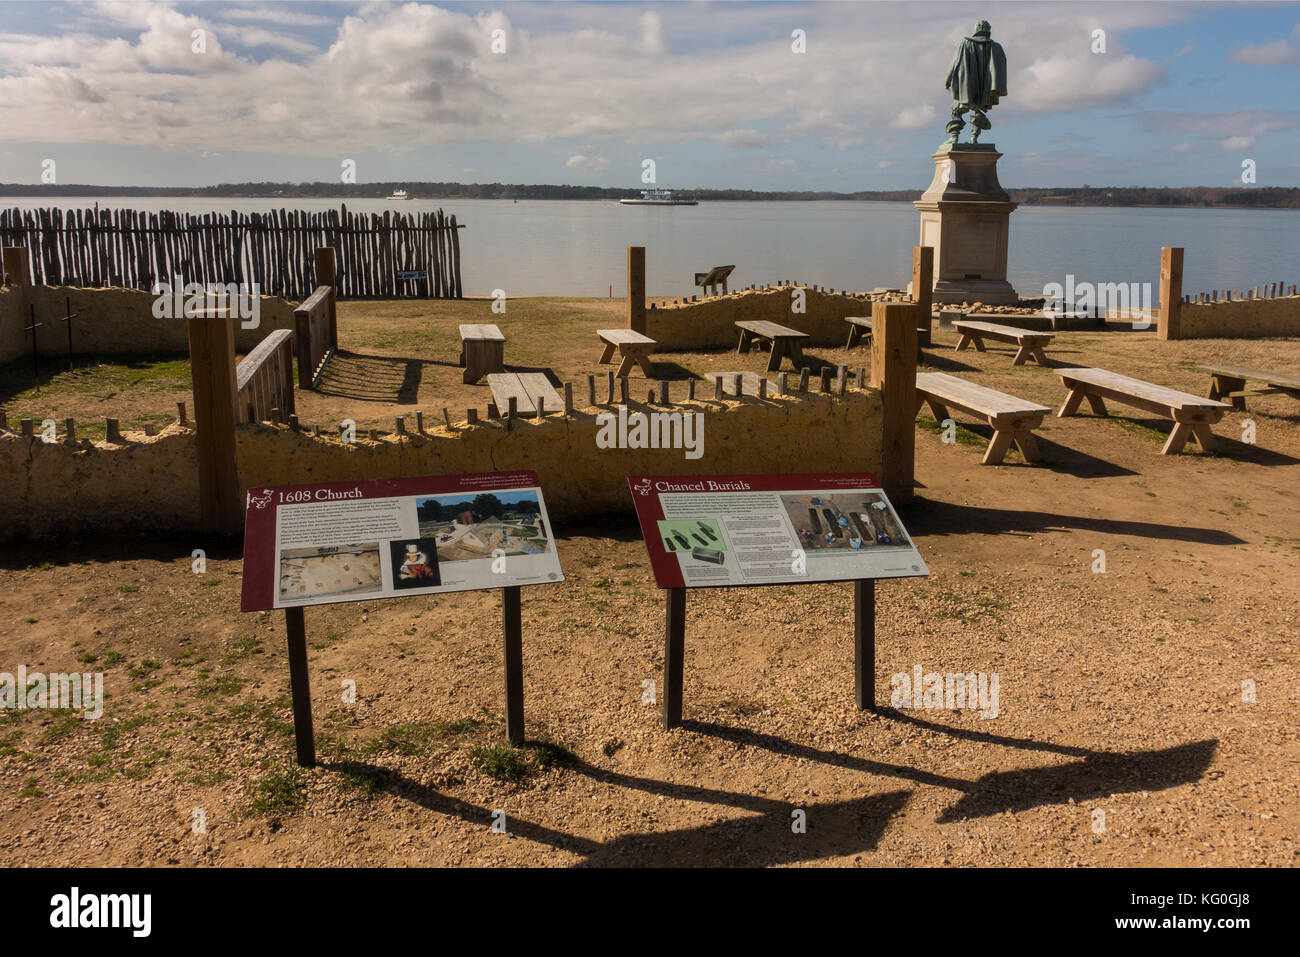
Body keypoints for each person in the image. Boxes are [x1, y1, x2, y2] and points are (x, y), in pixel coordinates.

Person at [944, 20, 1008, 146]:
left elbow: (955, 63)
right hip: (986, 88)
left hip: (967, 88)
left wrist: (948, 79)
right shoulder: (996, 47)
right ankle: (974, 138)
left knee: (956, 110)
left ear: (976, 30)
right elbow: (1001, 67)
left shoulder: (966, 44)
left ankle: (954, 137)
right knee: (980, 112)